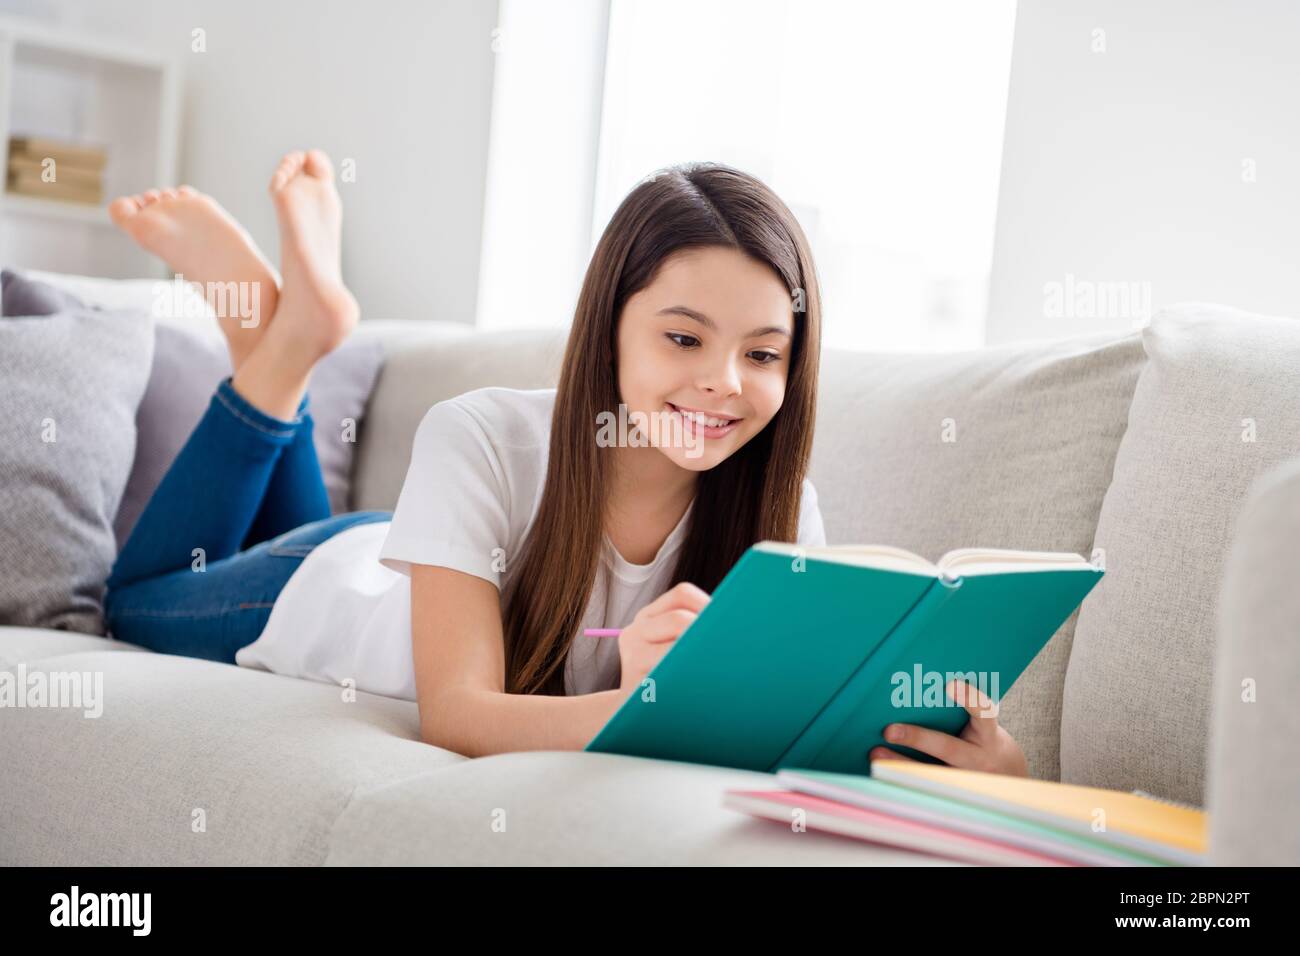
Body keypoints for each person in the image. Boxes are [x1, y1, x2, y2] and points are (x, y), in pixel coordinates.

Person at [103, 151, 1027, 776]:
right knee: (130, 601)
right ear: (610, 330)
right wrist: (645, 708)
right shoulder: (479, 435)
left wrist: (977, 768)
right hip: (325, 589)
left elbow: (791, 733)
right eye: (682, 337)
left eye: (762, 353)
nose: (722, 382)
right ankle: (284, 345)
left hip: (419, 553)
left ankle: (288, 340)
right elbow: (458, 716)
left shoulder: (787, 514)